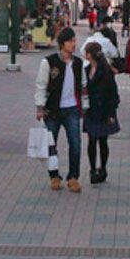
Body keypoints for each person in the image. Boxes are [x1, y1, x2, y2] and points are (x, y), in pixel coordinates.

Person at [34, 26, 83, 193]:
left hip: (72, 110)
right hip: (52, 110)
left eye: (74, 41)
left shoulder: (78, 63)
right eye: (70, 41)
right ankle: (54, 176)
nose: (73, 44)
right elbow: (41, 86)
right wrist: (40, 107)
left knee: (75, 144)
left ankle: (73, 177)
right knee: (51, 144)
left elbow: (82, 87)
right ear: (62, 44)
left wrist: (85, 106)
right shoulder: (48, 62)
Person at [82, 41, 120, 185]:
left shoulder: (105, 71)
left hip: (104, 110)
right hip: (91, 110)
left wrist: (111, 114)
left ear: (90, 55)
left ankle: (103, 169)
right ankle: (92, 169)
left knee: (103, 141)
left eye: (86, 52)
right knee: (91, 141)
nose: (85, 55)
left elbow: (113, 94)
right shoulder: (85, 70)